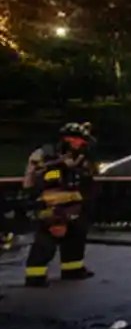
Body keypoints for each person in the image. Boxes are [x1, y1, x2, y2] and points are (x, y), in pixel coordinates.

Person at [23, 122, 96, 287]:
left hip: (74, 207)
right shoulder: (45, 155)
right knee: (47, 242)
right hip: (51, 206)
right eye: (80, 140)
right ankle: (35, 277)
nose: (83, 144)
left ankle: (73, 270)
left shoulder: (79, 156)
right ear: (68, 138)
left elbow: (83, 179)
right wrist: (55, 217)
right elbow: (37, 181)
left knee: (75, 239)